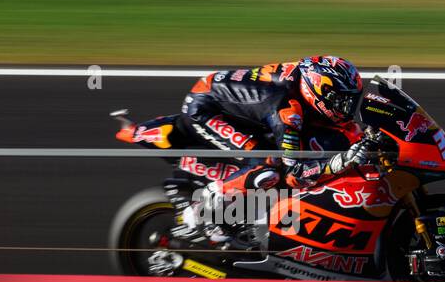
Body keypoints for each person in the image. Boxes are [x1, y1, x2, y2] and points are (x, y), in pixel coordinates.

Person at [161, 55, 379, 243]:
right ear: (317, 91)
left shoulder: (306, 79)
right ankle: (202, 207)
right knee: (267, 165)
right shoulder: (287, 109)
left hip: (240, 107)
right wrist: (339, 162)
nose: (346, 108)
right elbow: (295, 173)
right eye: (340, 101)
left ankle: (249, 209)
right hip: (205, 109)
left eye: (351, 101)